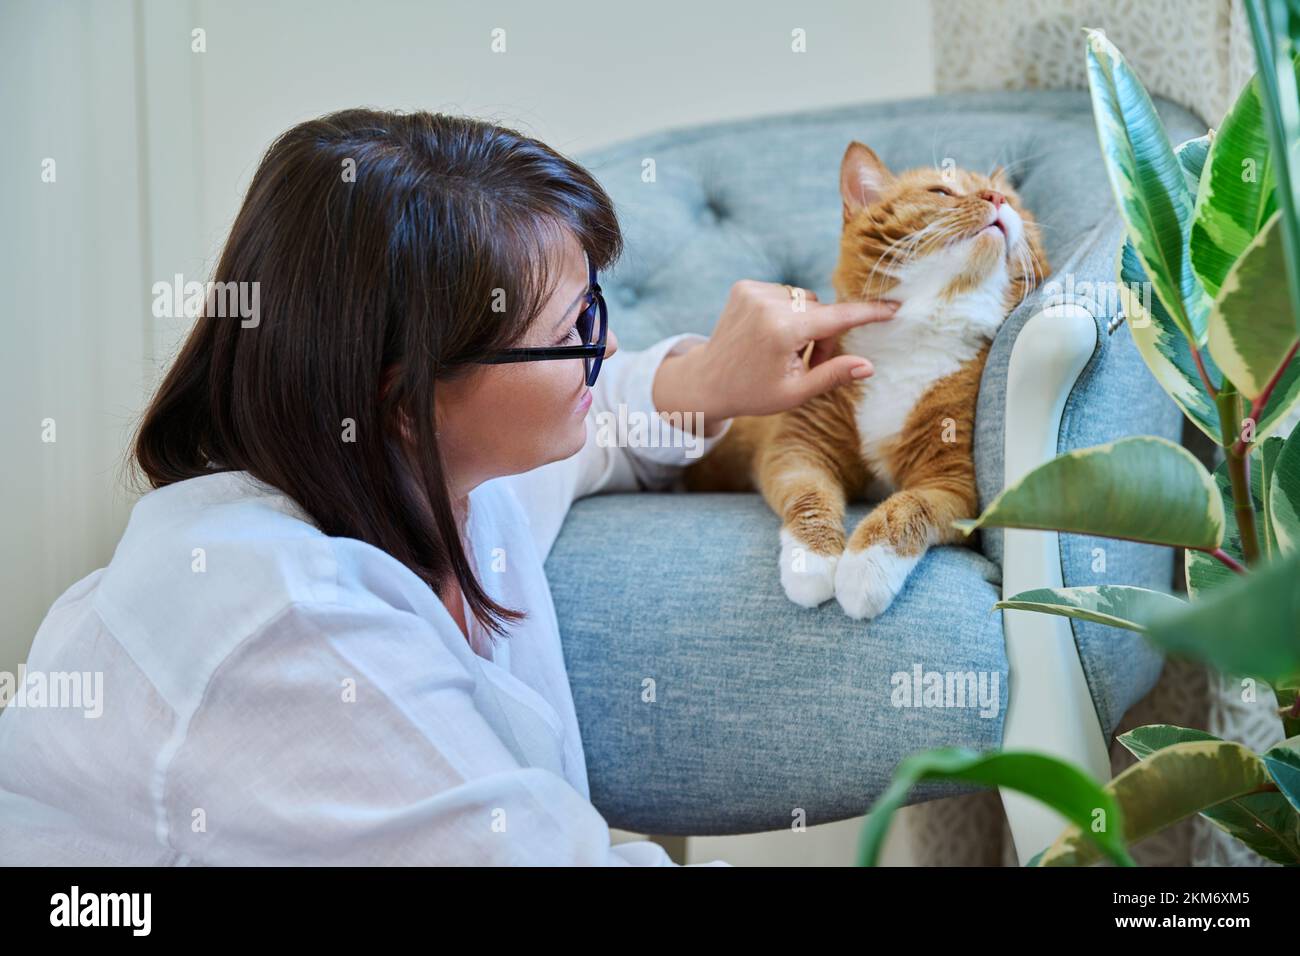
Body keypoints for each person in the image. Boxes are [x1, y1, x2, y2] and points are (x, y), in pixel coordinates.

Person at [0, 109, 896, 865]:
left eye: (597, 309)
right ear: (403, 397)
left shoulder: (442, 475)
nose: (607, 348)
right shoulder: (285, 629)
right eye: (575, 327)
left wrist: (703, 386)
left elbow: (602, 419)